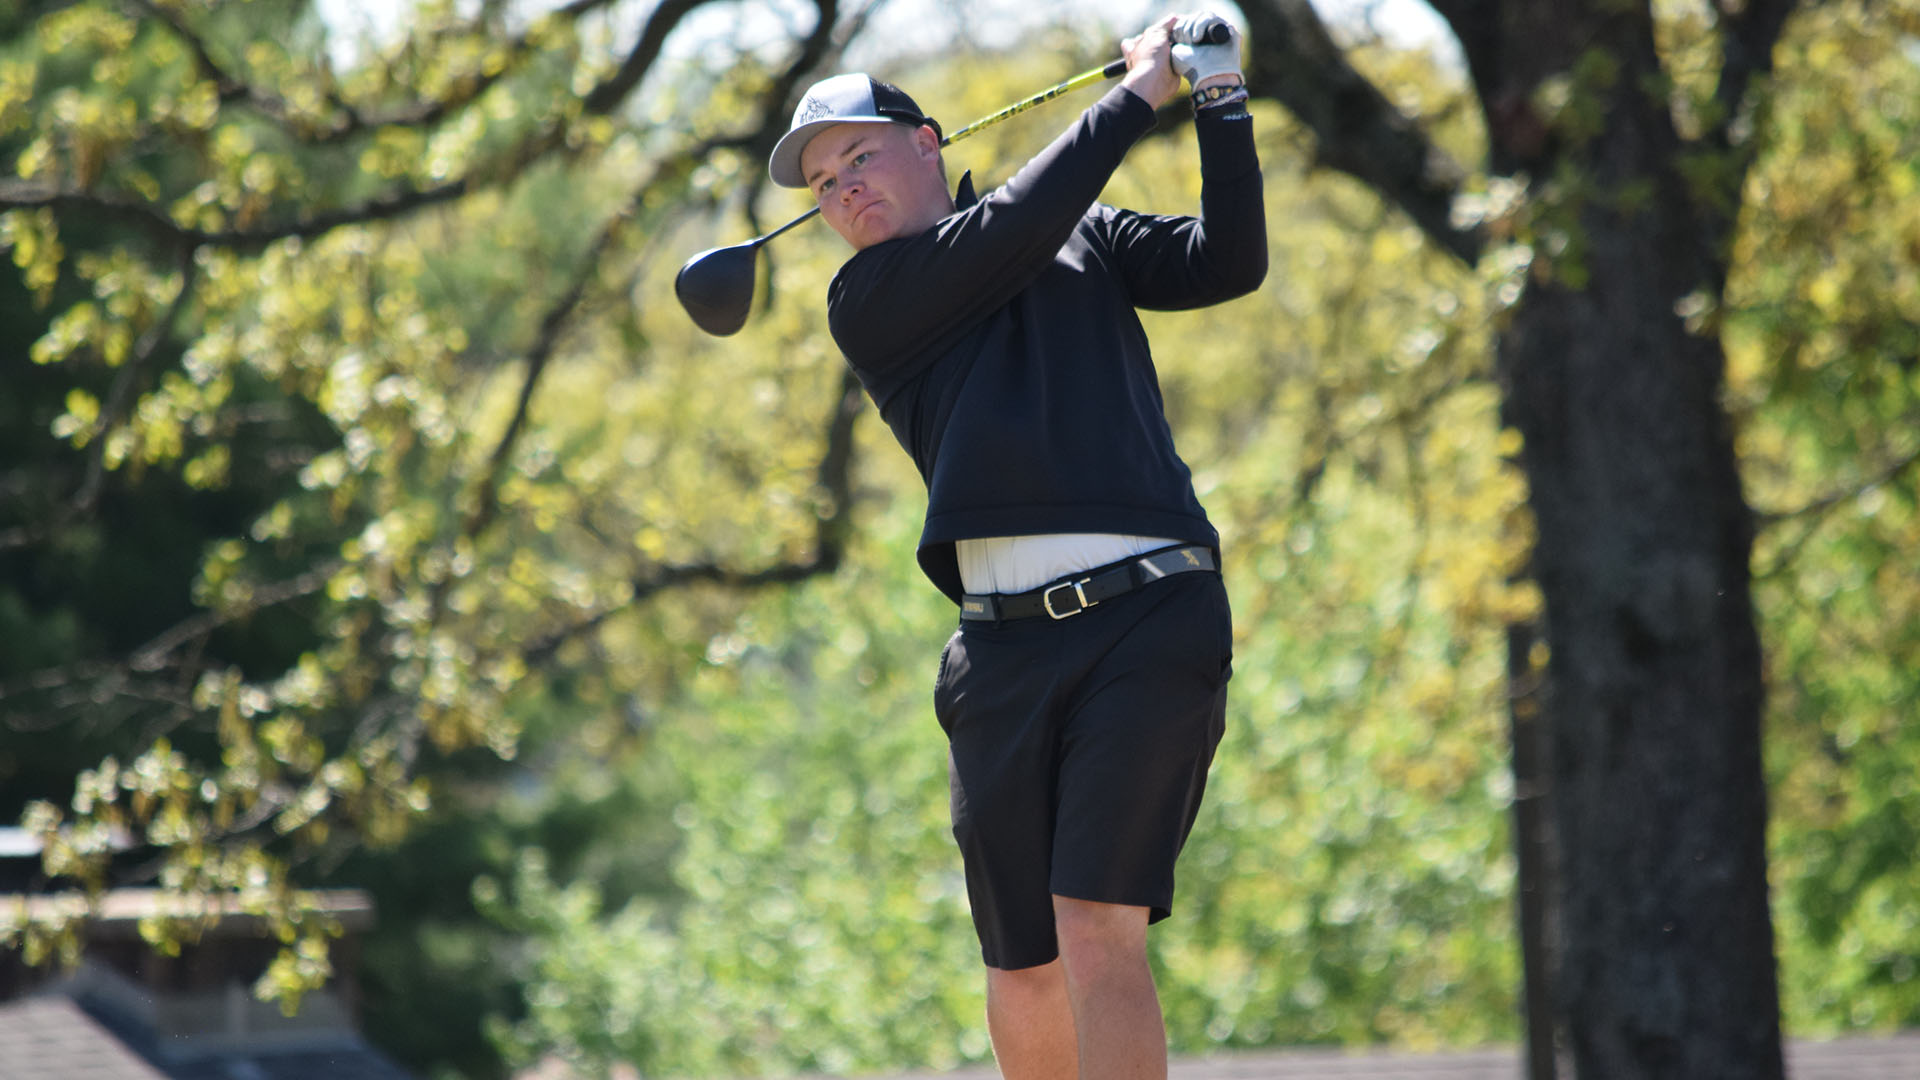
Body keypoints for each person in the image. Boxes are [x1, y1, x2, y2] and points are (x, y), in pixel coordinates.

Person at [769, 13, 1264, 1080]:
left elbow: (1228, 261)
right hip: (1000, 655)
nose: (844, 187)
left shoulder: (1078, 232)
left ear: (927, 142)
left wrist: (1218, 99)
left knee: (1094, 926)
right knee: (1023, 965)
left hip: (1149, 618)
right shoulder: (870, 301)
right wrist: (1136, 95)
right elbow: (1004, 234)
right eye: (821, 184)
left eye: (860, 154)